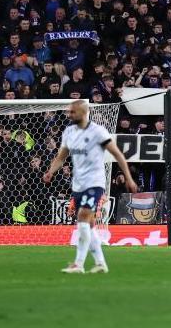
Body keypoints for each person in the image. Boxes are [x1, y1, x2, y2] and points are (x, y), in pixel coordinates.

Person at [42, 100, 137, 274]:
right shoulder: (69, 132)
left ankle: (78, 264)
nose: (69, 115)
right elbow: (61, 157)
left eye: (73, 112)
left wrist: (129, 179)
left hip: (95, 183)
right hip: (78, 185)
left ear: (84, 112)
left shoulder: (98, 132)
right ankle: (101, 263)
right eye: (69, 112)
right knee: (89, 225)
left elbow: (118, 155)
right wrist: (51, 172)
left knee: (82, 218)